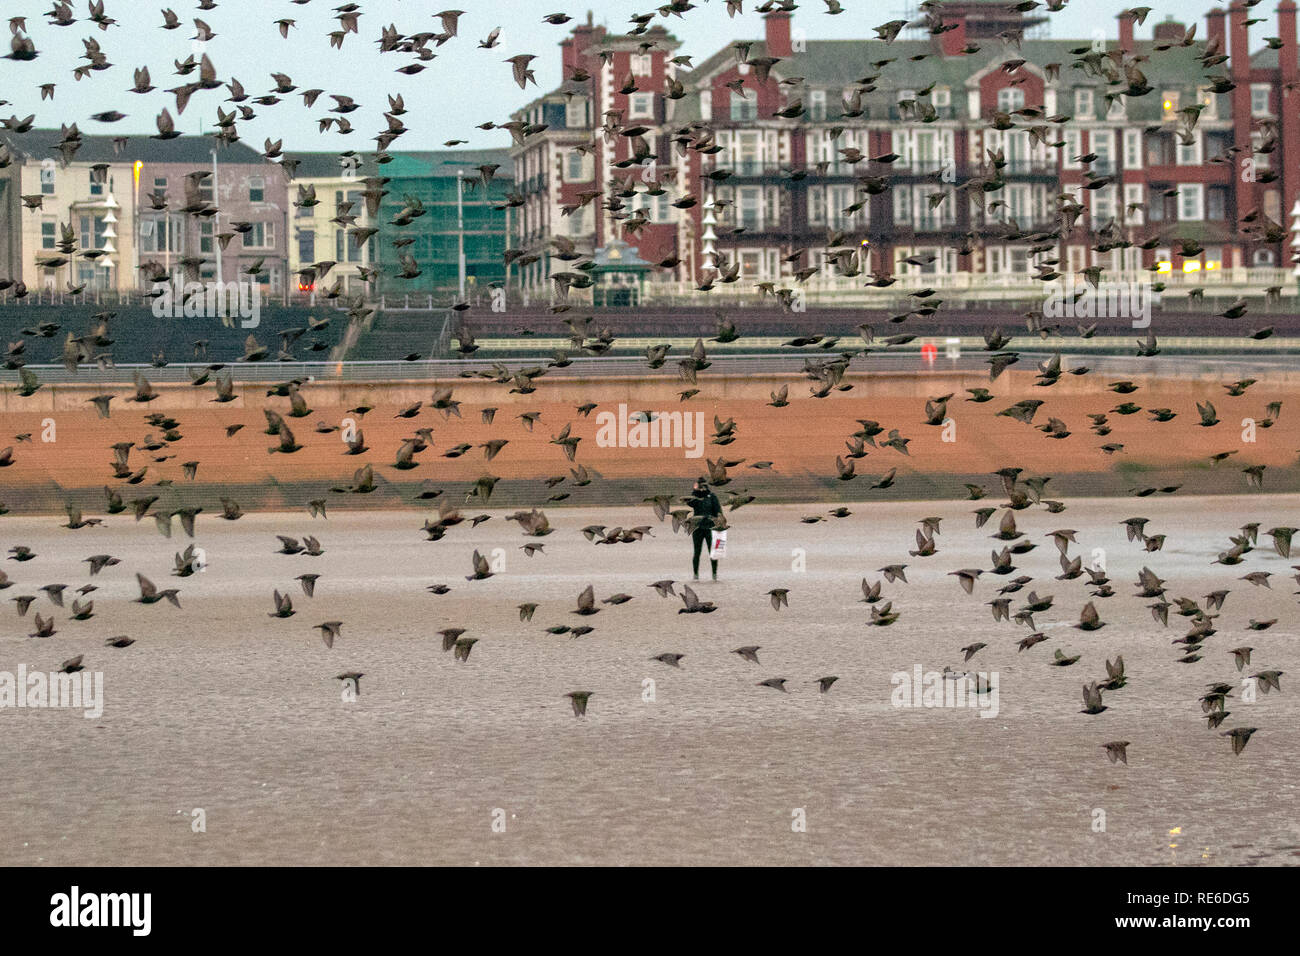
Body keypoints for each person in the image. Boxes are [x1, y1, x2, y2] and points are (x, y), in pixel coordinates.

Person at [687, 477, 722, 581]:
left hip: (710, 528)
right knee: (697, 552)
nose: (702, 488)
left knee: (713, 552)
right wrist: (695, 491)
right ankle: (695, 575)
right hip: (697, 527)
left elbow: (718, 511)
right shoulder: (695, 497)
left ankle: (714, 574)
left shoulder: (712, 497)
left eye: (703, 485)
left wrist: (721, 525)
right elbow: (689, 503)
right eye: (700, 485)